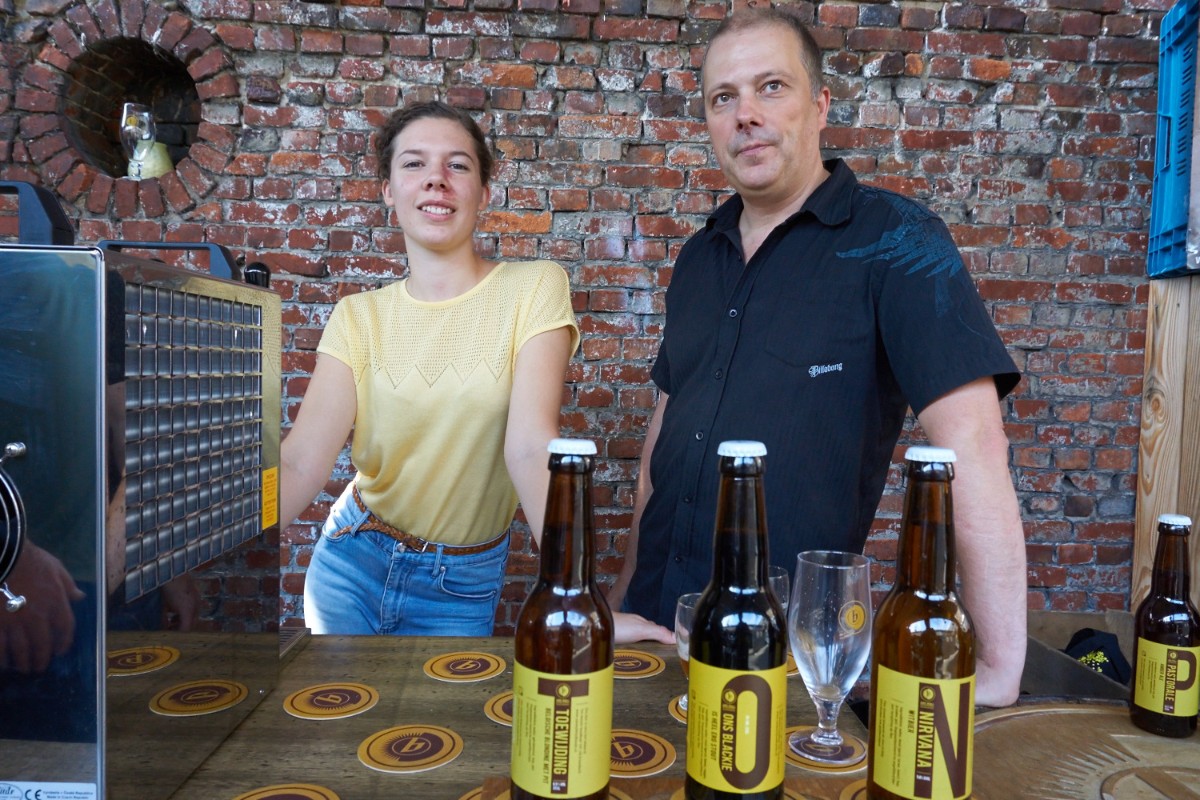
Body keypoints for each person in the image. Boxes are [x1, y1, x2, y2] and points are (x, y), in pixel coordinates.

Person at [606, 9, 1026, 706]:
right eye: (723, 98)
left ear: (820, 104)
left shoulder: (899, 241)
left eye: (771, 87)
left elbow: (974, 447)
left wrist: (999, 666)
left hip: (787, 660)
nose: (745, 115)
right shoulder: (697, 255)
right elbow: (665, 433)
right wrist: (624, 593)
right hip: (657, 632)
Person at [281, 100, 670, 643]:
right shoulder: (358, 317)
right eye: (414, 164)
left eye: (457, 165)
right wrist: (194, 544)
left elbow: (532, 448)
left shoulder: (534, 289)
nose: (436, 180)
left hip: (459, 583)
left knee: (436, 729)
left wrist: (579, 598)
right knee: (341, 724)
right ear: (389, 190)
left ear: (484, 192)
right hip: (351, 563)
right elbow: (301, 461)